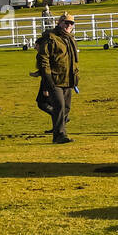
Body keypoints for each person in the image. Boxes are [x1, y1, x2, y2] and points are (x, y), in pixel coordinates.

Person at [33, 13, 79, 144]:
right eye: (66, 23)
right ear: (60, 23)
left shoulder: (70, 39)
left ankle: (61, 132)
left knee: (66, 108)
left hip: (69, 79)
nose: (69, 26)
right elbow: (43, 58)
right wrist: (47, 78)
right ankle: (59, 135)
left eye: (71, 23)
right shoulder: (51, 38)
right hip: (55, 79)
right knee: (59, 106)